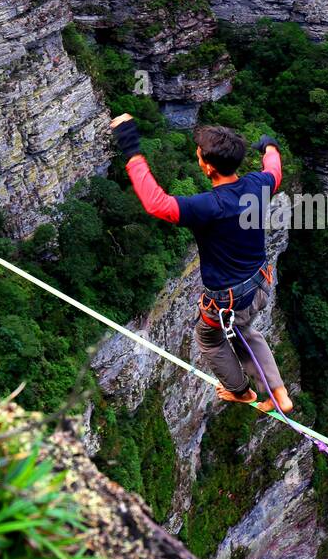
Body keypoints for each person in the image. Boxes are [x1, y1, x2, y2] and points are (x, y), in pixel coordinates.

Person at [110, 113, 294, 414]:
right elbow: (274, 169)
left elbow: (156, 203)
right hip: (260, 282)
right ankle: (277, 392)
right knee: (243, 330)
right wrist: (269, 146)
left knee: (209, 339)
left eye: (198, 155)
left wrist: (131, 149)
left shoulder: (208, 206)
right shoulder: (257, 185)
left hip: (228, 298)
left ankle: (242, 392)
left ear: (207, 166)